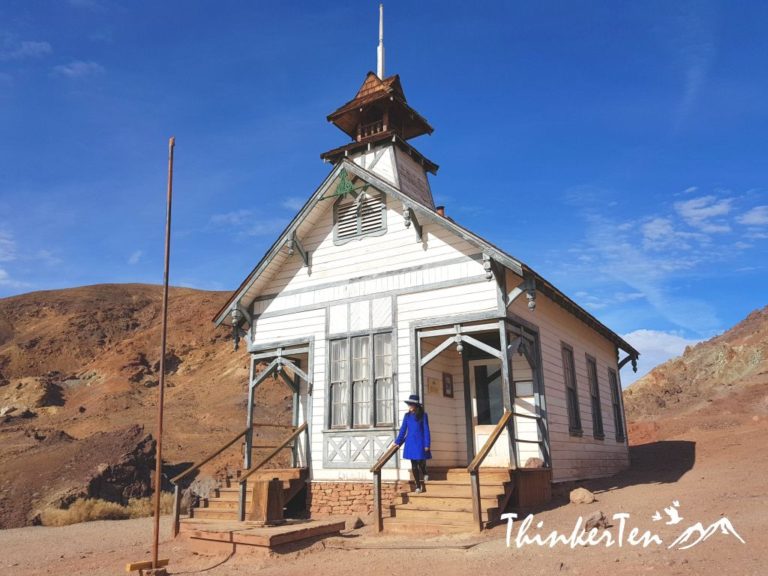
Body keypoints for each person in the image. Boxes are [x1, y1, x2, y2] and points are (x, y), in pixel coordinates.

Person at [394, 394, 431, 493]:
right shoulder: (407, 416)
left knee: (420, 461)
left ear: (416, 405)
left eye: (411, 404)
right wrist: (397, 441)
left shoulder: (423, 415)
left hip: (420, 442)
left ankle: (424, 472)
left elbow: (426, 430)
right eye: (409, 404)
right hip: (410, 442)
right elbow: (403, 430)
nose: (409, 406)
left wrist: (427, 444)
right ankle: (418, 486)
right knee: (414, 464)